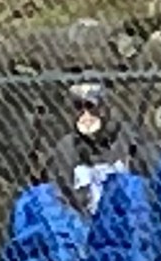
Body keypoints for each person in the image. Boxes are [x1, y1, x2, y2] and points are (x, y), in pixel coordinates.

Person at [44, 81, 153, 215]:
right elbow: (59, 194)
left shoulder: (127, 140)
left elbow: (145, 184)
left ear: (103, 108)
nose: (86, 115)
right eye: (78, 107)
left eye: (90, 106)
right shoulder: (66, 148)